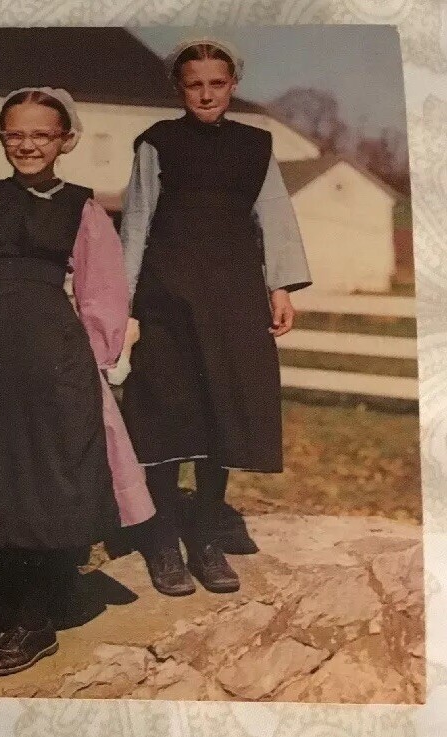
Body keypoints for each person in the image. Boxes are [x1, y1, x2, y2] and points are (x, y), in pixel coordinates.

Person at [120, 38, 311, 596]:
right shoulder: (158, 142)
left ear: (233, 85)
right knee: (164, 411)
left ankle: (204, 534)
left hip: (233, 295)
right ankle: (159, 539)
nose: (206, 94)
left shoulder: (254, 145)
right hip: (167, 296)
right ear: (179, 89)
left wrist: (280, 286)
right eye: (194, 84)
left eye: (217, 83)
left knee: (224, 407)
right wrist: (125, 307)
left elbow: (274, 216)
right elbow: (136, 222)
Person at [0, 87, 126, 677]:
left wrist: (96, 361)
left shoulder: (83, 207)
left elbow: (103, 291)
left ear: (65, 141)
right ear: (1, 138)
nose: (27, 144)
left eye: (41, 135)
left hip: (54, 360)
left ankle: (36, 616)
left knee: (44, 482)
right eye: (15, 134)